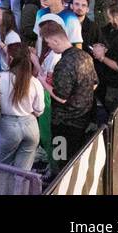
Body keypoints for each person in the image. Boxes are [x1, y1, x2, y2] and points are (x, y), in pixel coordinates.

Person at [0, 42, 44, 180]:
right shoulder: (34, 82)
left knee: (2, 171)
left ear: (10, 59)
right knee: (23, 174)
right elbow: (39, 110)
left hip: (7, 126)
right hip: (31, 127)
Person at [39, 19, 96, 170]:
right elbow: (95, 83)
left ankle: (57, 183)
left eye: (48, 43)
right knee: (75, 158)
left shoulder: (63, 65)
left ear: (55, 40)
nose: (48, 46)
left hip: (63, 122)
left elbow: (61, 97)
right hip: (84, 117)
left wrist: (43, 82)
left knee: (61, 159)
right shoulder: (85, 56)